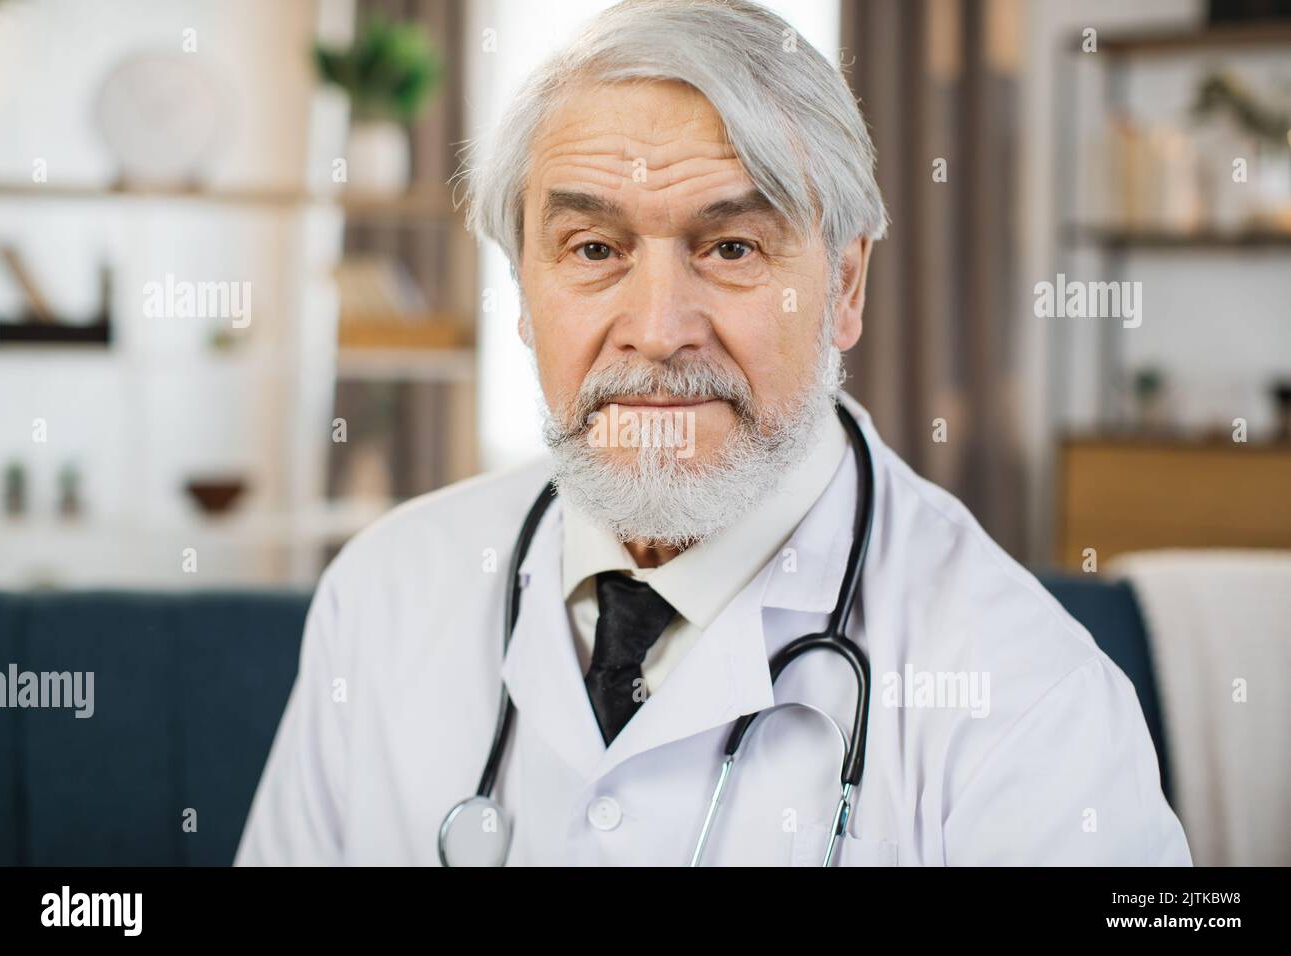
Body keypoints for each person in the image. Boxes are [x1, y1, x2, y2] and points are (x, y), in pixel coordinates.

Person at [236, 0, 1190, 866]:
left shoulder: (1029, 696)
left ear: (846, 286)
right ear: (522, 291)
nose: (658, 329)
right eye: (594, 250)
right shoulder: (382, 594)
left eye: (731, 248)